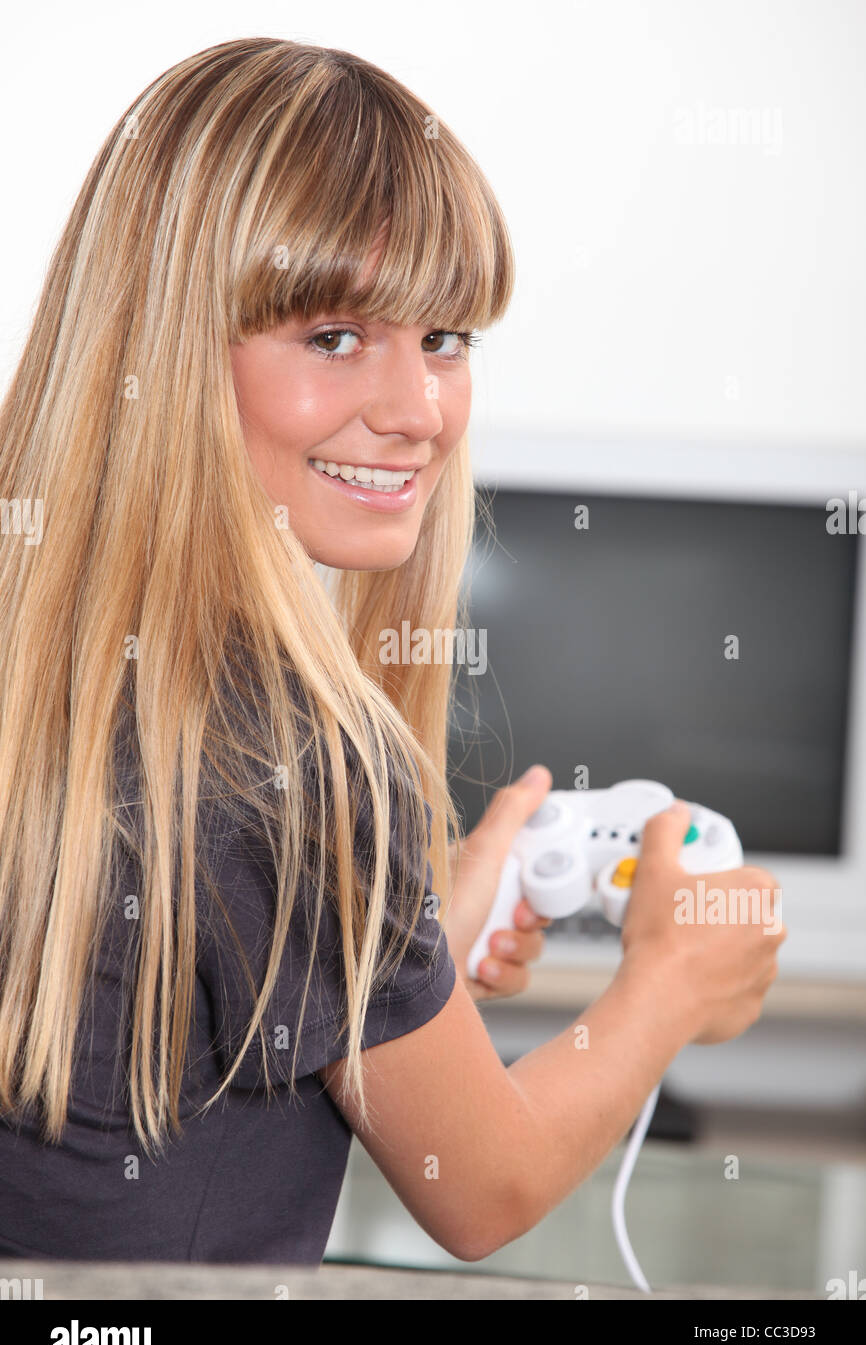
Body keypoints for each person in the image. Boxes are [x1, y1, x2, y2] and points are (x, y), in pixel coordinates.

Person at [0, 37, 784, 1266]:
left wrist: (408, 947)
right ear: (159, 347)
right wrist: (670, 984)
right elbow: (483, 1187)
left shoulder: (71, 673)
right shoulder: (289, 745)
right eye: (330, 336)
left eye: (446, 337)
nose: (418, 407)